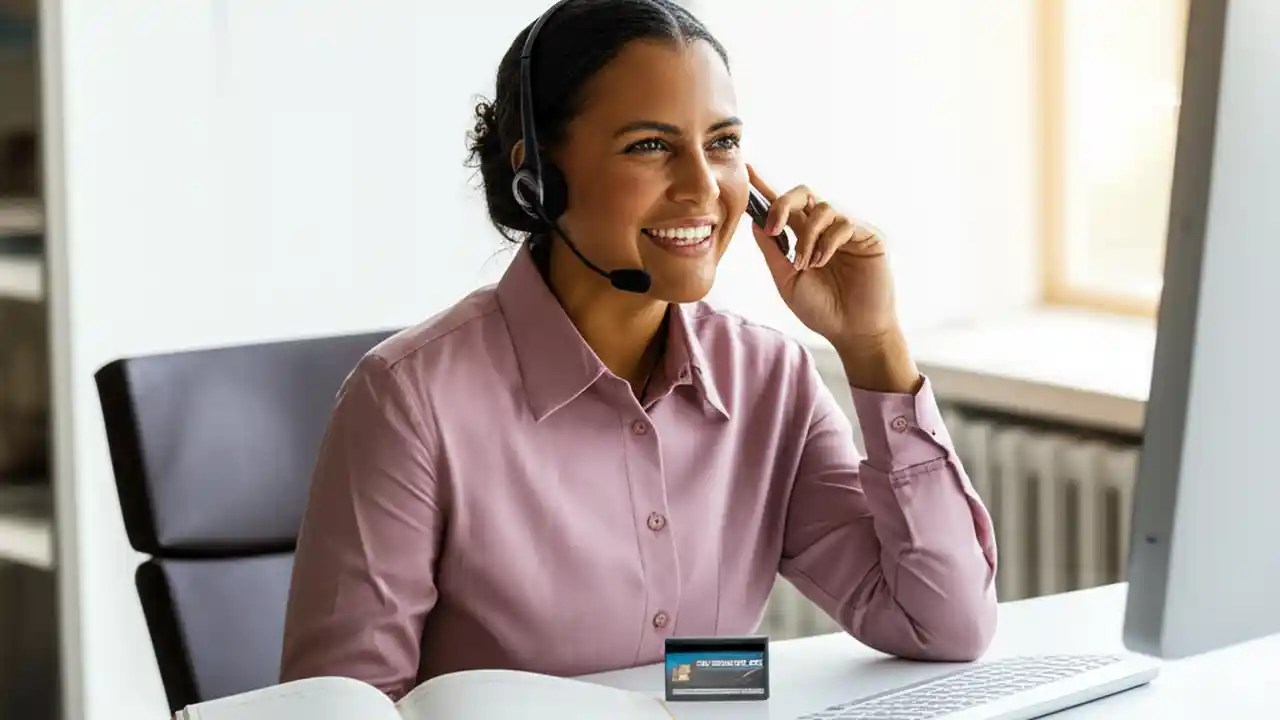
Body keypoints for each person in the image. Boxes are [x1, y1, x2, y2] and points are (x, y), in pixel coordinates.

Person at [279, 0, 997, 701]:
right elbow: (338, 706)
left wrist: (872, 344)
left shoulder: (768, 379)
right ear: (539, 177)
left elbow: (944, 622)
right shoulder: (411, 399)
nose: (702, 188)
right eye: (650, 146)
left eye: (721, 144)